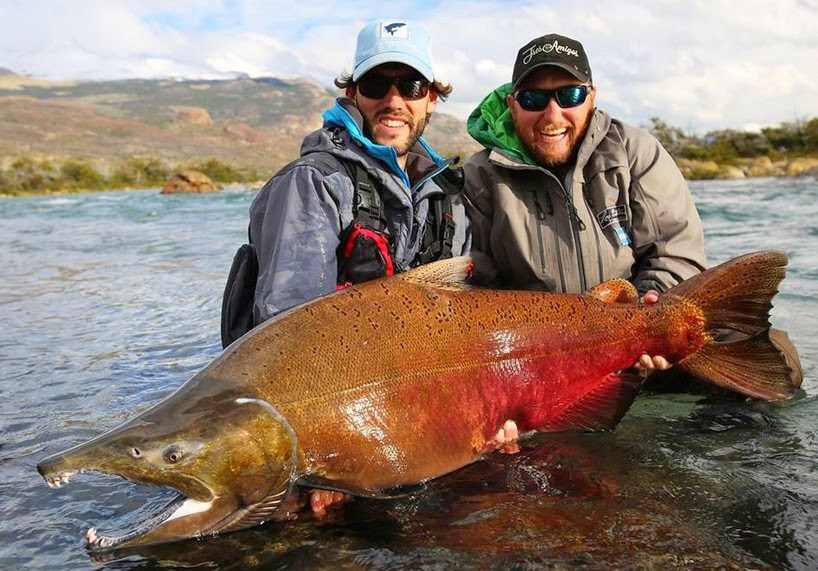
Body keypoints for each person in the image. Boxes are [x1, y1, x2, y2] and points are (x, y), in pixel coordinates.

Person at [223, 19, 477, 517]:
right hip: (325, 419)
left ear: (431, 98)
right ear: (353, 93)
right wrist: (335, 455)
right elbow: (289, 339)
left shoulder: (451, 197)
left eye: (411, 85)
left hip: (413, 407)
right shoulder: (312, 184)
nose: (394, 100)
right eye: (376, 85)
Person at [462, 33, 803, 381]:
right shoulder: (478, 177)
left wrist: (650, 304)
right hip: (543, 359)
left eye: (570, 95)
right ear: (511, 103)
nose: (553, 115)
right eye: (533, 98)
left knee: (779, 359)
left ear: (591, 97)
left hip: (641, 329)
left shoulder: (634, 151)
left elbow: (674, 249)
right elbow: (475, 291)